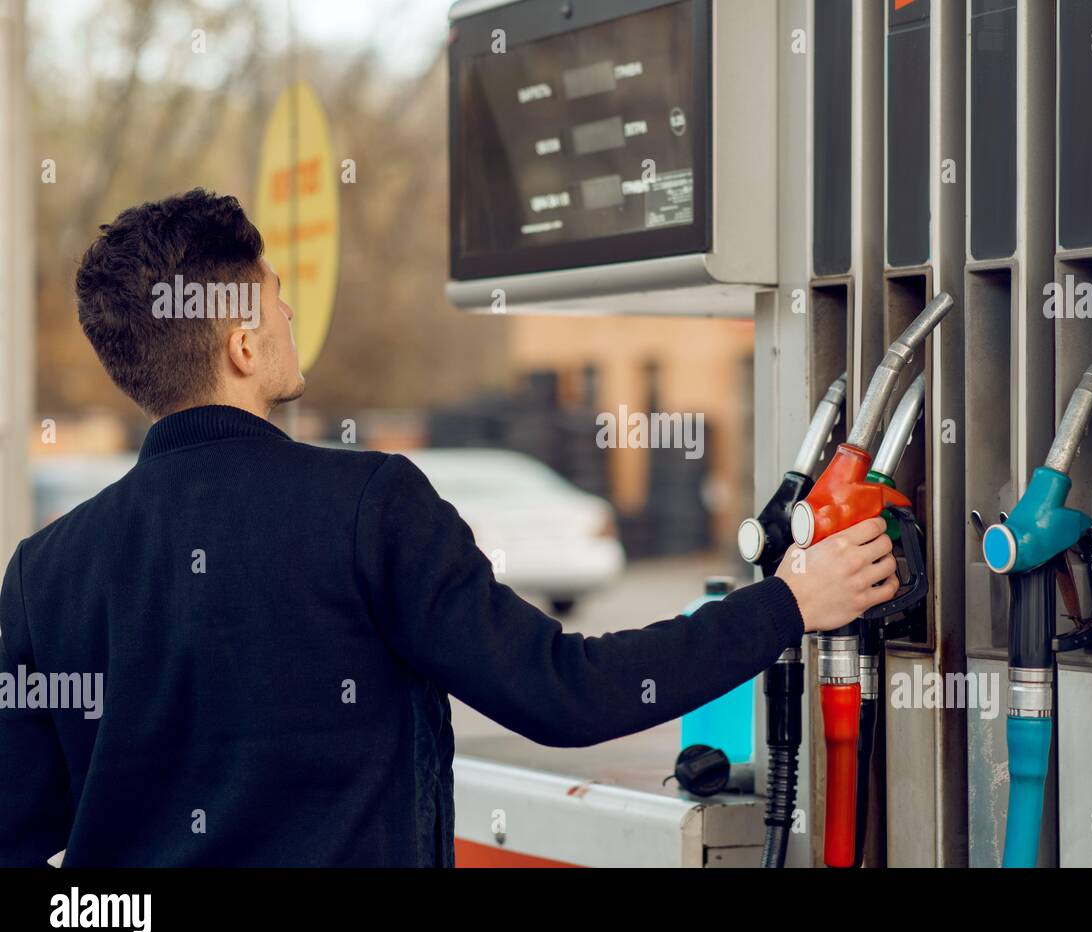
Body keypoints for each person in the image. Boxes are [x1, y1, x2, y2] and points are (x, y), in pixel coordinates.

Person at [0, 189, 899, 866]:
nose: (286, 315)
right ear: (240, 344)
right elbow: (564, 692)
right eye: (275, 297)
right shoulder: (367, 506)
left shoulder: (47, 572)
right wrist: (787, 603)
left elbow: (21, 829)